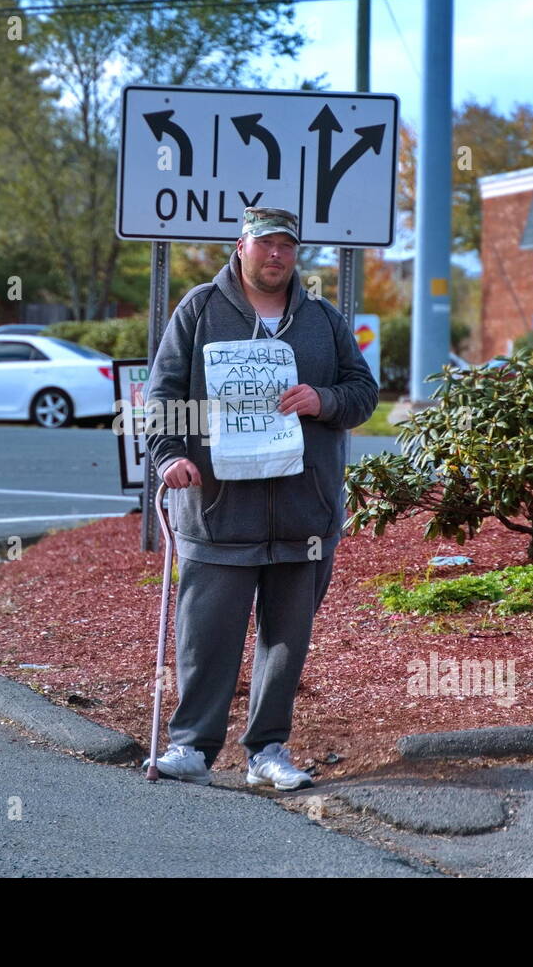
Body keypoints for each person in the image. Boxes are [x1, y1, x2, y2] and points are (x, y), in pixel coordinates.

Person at [141, 206, 379, 789]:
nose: (276, 254)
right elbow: (163, 393)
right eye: (265, 243)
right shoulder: (199, 309)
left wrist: (322, 400)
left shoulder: (323, 318)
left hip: (304, 515)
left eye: (287, 246)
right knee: (206, 636)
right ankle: (192, 748)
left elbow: (363, 392)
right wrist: (169, 456)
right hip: (218, 511)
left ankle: (267, 752)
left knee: (286, 643)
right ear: (241, 246)